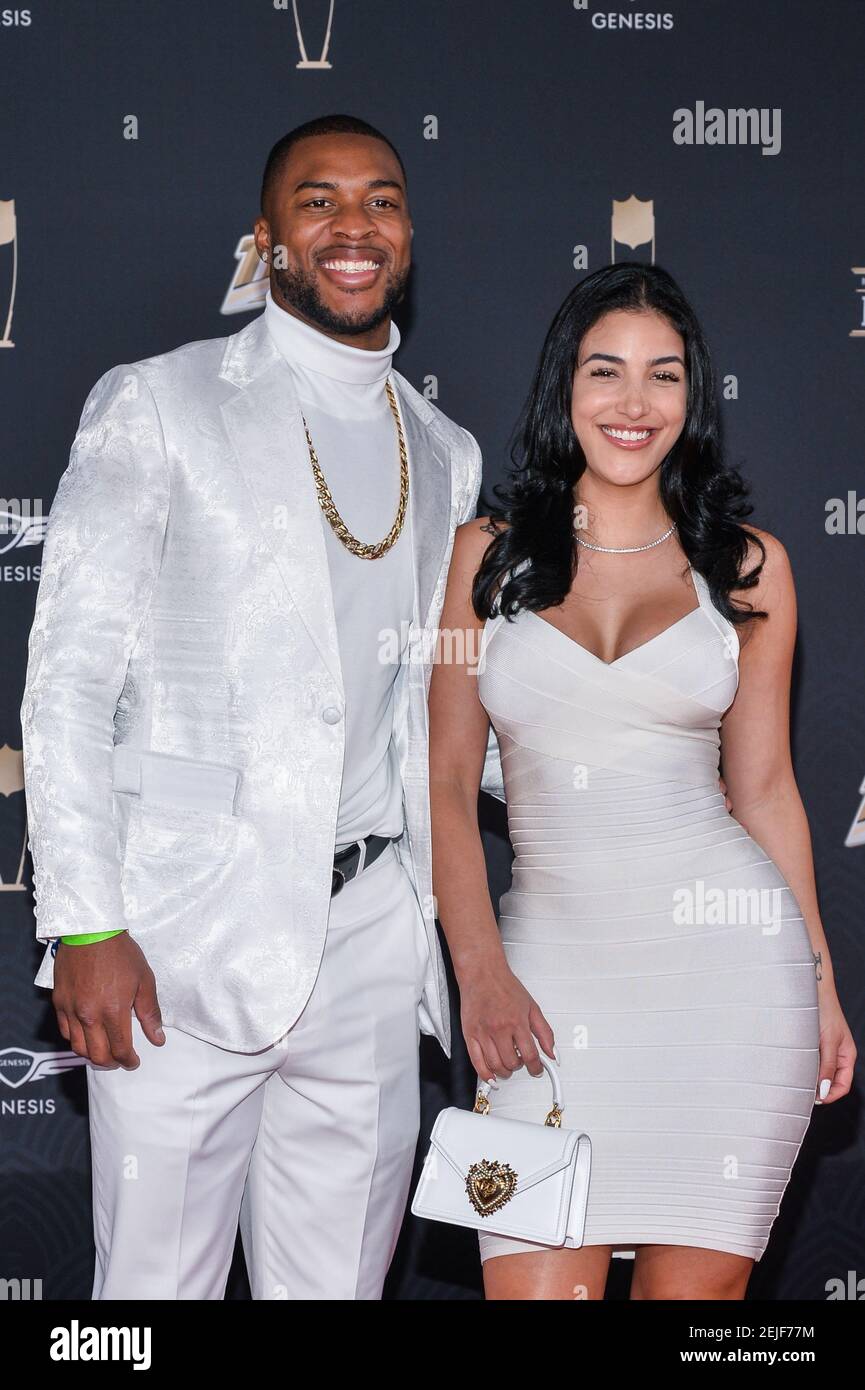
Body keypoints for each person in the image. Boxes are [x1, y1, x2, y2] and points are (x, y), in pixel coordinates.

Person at [21, 112, 501, 1300]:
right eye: (318, 200)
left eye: (381, 200)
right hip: (177, 948)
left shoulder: (448, 455)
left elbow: (438, 714)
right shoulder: (160, 401)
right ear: (268, 238)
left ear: (409, 234)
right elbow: (70, 678)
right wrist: (85, 923)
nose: (353, 225)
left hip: (373, 947)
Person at [428, 262, 856, 1301]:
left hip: (727, 986)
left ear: (691, 396)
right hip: (541, 986)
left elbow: (762, 791)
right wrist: (477, 967)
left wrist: (820, 980)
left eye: (662, 377)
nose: (633, 403)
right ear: (562, 388)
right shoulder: (486, 559)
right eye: (604, 371)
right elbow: (441, 781)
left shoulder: (748, 568)